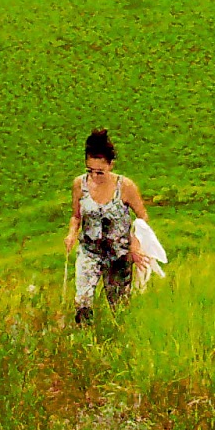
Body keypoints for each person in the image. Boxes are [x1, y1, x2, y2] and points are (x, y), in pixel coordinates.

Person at [64, 127, 149, 324]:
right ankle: (84, 339)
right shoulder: (79, 185)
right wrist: (70, 234)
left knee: (119, 305)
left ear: (111, 165)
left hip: (118, 254)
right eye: (90, 171)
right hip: (89, 250)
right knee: (82, 300)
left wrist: (135, 245)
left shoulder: (125, 187)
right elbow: (76, 216)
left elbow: (142, 217)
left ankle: (121, 339)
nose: (94, 176)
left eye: (100, 172)